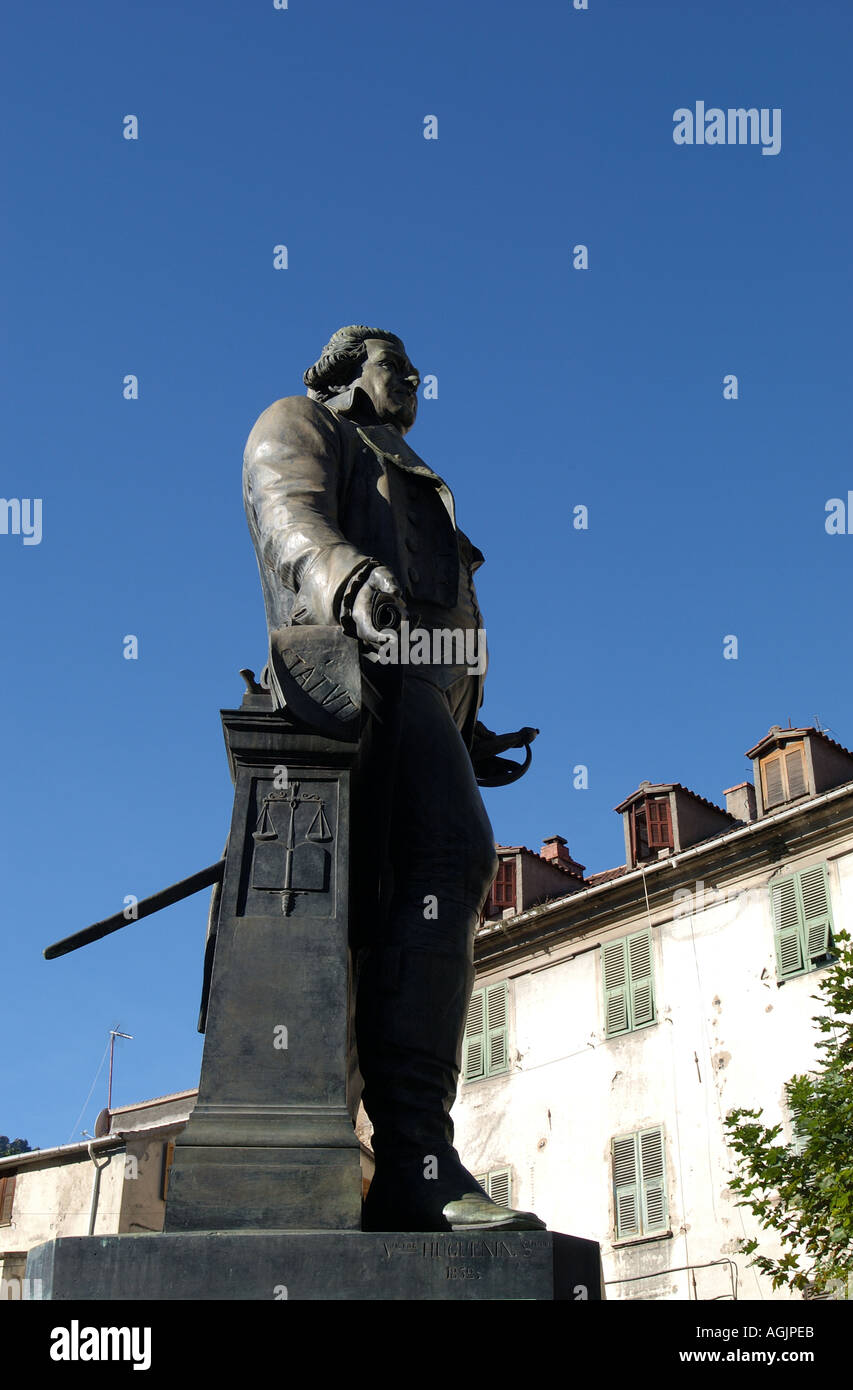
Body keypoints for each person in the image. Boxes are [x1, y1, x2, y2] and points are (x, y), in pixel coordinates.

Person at [243, 325, 543, 1231]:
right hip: (346, 678)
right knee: (450, 857)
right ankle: (409, 1155)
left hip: (420, 697)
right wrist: (342, 577)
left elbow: (443, 603)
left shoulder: (411, 467)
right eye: (393, 364)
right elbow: (285, 514)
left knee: (438, 872)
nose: (412, 380)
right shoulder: (304, 422)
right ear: (344, 375)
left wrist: (468, 721)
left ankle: (414, 1154)